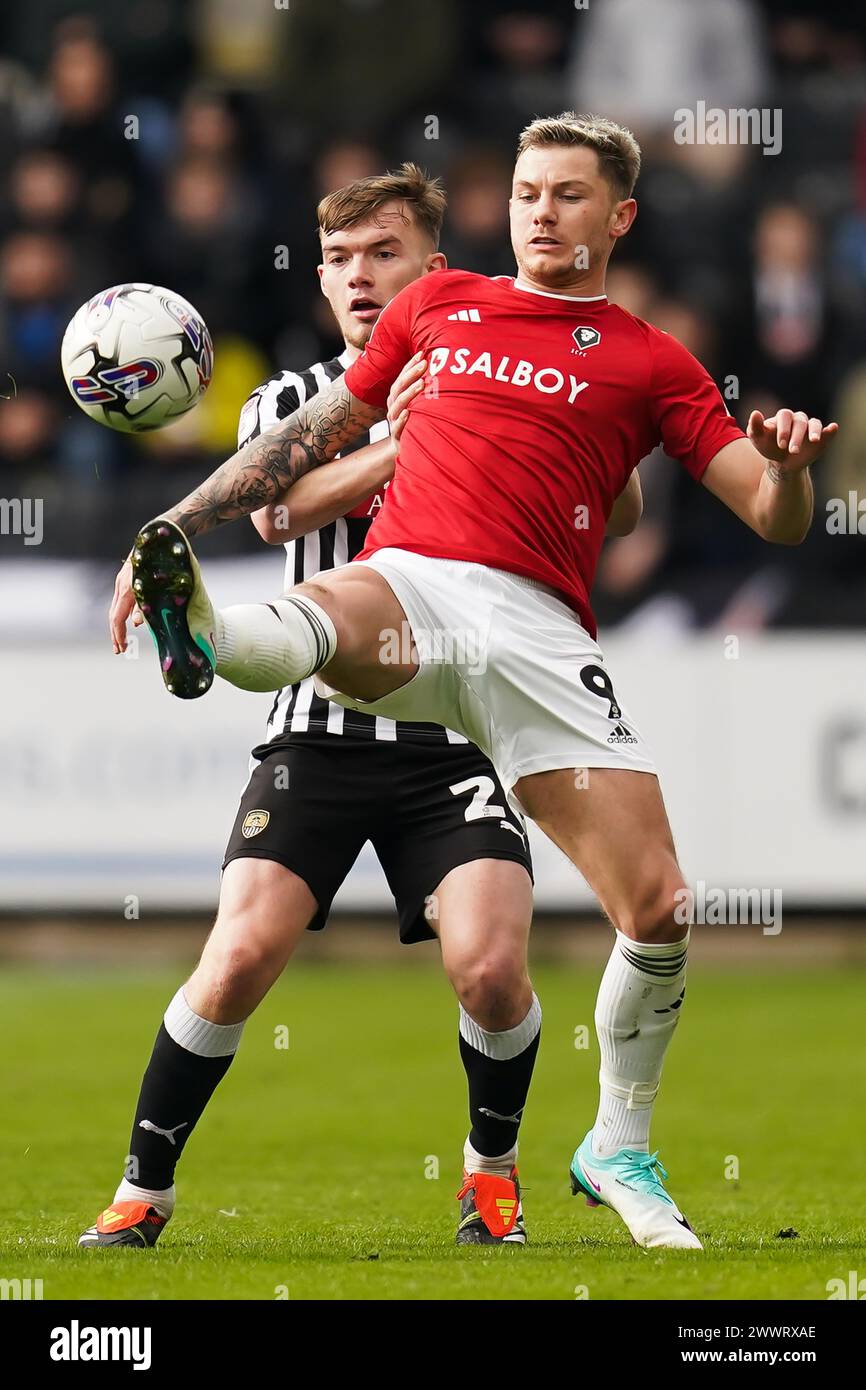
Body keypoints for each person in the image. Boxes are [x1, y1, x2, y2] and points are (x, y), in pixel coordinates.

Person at [125, 114, 836, 1250]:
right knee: (331, 611)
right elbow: (303, 443)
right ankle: (203, 634)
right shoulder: (437, 311)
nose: (541, 213)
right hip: (415, 586)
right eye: (523, 193)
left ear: (618, 217)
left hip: (542, 633)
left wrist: (794, 470)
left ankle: (615, 1141)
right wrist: (173, 522)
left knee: (655, 907)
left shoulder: (650, 360)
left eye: (565, 194)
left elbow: (766, 510)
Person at [86, 161, 642, 1252]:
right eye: (337, 258)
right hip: (317, 735)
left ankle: (488, 1177)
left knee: (487, 969)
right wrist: (406, 437)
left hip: (454, 733)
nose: (355, 275)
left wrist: (573, 426)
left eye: (381, 254)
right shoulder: (287, 403)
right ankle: (141, 1192)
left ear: (433, 270)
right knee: (240, 953)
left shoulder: (496, 373)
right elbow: (276, 512)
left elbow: (611, 514)